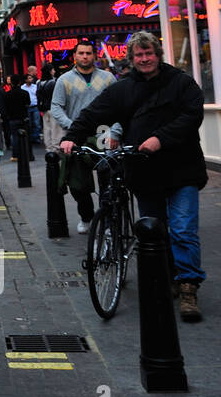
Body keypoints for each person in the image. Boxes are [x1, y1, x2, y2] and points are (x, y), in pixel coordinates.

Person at [61, 31, 207, 321]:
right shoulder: (124, 88)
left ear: (158, 54)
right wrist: (72, 136)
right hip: (145, 171)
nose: (144, 59)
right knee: (154, 230)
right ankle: (168, 276)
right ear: (131, 58)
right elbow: (94, 113)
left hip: (182, 169)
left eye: (149, 53)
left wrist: (160, 138)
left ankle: (188, 287)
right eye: (139, 55)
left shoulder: (181, 83)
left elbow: (192, 116)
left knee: (182, 229)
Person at [50, 39, 119, 234]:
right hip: (78, 136)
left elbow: (119, 106)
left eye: (88, 53)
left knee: (108, 181)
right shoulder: (64, 80)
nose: (85, 56)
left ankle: (107, 221)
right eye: (81, 53)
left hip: (104, 133)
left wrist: (115, 132)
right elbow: (56, 107)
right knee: (78, 184)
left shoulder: (108, 78)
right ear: (74, 56)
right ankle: (87, 216)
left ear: (94, 56)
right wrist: (72, 126)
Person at [1, 82, 31, 162]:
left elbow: (5, 106)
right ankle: (27, 154)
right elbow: (28, 104)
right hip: (23, 117)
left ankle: (15, 155)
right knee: (25, 136)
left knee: (14, 137)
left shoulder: (7, 94)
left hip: (12, 117)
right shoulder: (25, 93)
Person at [21, 66, 43, 144]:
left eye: (31, 78)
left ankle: (36, 137)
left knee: (37, 123)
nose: (31, 79)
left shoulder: (35, 86)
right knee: (29, 123)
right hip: (27, 107)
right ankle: (30, 138)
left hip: (35, 106)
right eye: (29, 78)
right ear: (26, 80)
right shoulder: (22, 87)